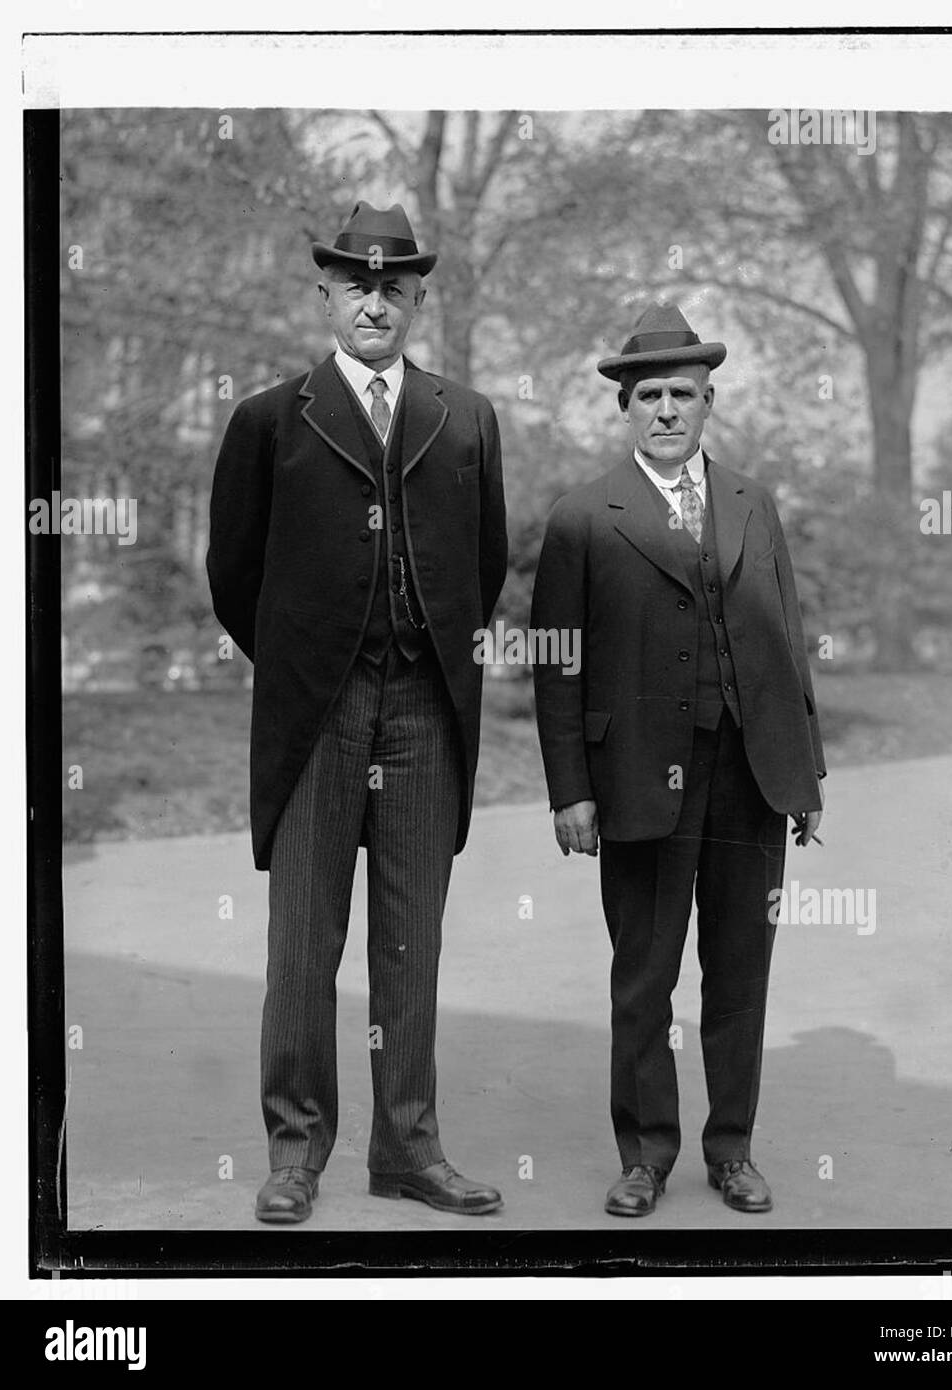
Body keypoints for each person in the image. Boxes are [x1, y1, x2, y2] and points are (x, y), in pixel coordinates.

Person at [207, 201, 508, 1223]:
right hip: (315, 715)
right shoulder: (266, 419)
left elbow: (485, 562)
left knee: (409, 943)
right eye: (354, 285)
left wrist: (422, 652)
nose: (373, 302)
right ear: (325, 293)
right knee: (301, 945)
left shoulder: (464, 418)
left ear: (417, 298)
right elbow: (233, 572)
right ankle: (294, 1152)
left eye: (393, 287)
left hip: (424, 707)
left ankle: (408, 1150)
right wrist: (304, 663)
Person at [531, 303, 825, 1218]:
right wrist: (570, 792)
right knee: (646, 974)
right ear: (625, 405)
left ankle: (730, 1149)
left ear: (709, 402)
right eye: (649, 394)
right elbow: (556, 667)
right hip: (636, 781)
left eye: (683, 395)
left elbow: (786, 640)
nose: (666, 410)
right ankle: (646, 1155)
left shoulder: (751, 504)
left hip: (752, 774)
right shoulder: (584, 517)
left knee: (740, 974)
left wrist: (804, 771)